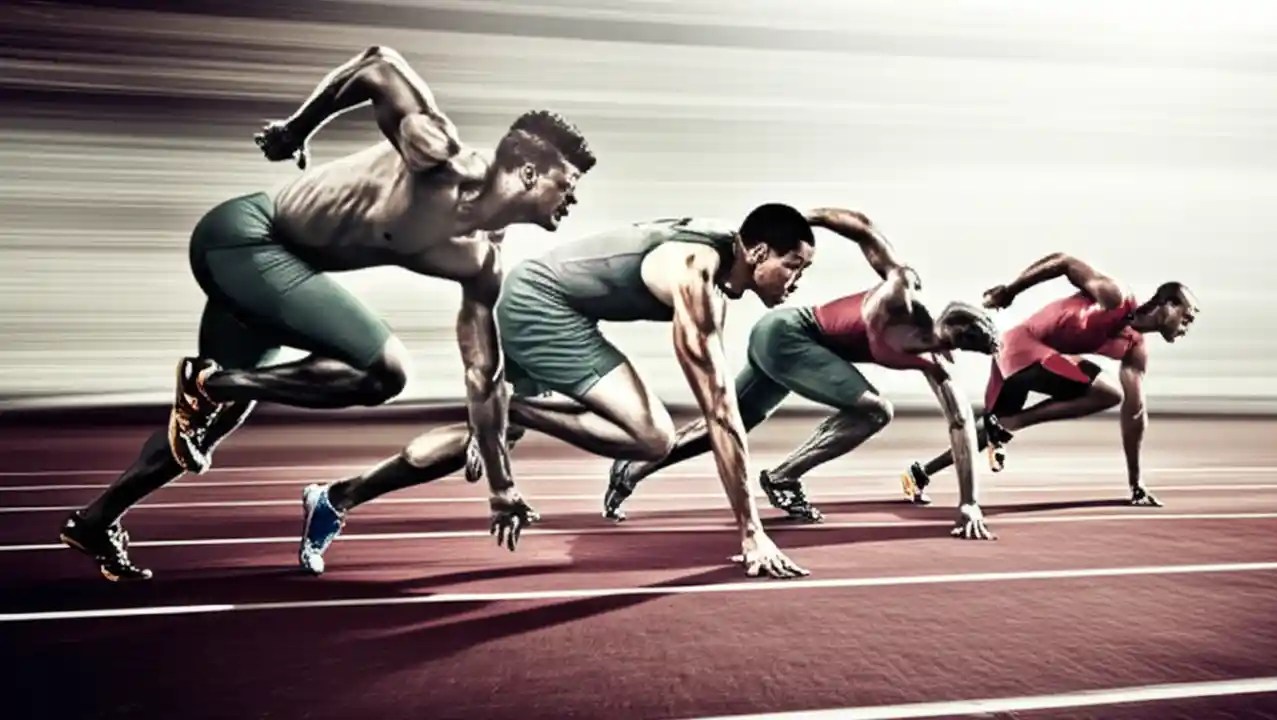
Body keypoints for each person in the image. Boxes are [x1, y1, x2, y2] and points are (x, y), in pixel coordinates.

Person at [58, 45, 596, 581]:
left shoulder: (481, 261)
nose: (572, 201)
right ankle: (212, 384)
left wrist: (502, 487)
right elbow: (379, 65)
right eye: (567, 185)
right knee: (384, 370)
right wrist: (296, 130)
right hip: (246, 238)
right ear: (528, 172)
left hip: (266, 281)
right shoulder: (439, 157)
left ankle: (98, 519)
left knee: (201, 427)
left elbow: (484, 376)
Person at [300, 205, 821, 578]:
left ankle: (336, 497)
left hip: (532, 297)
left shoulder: (720, 252)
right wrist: (752, 532)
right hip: (543, 307)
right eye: (794, 266)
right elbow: (722, 414)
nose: (797, 281)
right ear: (756, 252)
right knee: (651, 438)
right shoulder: (695, 274)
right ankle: (509, 406)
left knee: (477, 440)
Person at [605, 208, 999, 540]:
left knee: (728, 426)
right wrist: (804, 218)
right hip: (789, 333)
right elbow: (863, 229)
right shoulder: (901, 293)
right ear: (952, 328)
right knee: (876, 411)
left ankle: (634, 467)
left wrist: (969, 502)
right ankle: (783, 478)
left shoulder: (936, 363)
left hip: (795, 351)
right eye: (952, 340)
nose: (945, 349)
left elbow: (962, 423)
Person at [902, 252, 1199, 507]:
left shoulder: (1134, 348)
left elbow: (1135, 415)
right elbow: (1064, 261)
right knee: (1108, 390)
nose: (1186, 328)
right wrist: (1011, 290)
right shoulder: (1115, 297)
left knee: (985, 431)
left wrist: (1136, 484)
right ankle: (1010, 425)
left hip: (1033, 364)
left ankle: (919, 474)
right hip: (1019, 346)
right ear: (1167, 305)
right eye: (1185, 318)